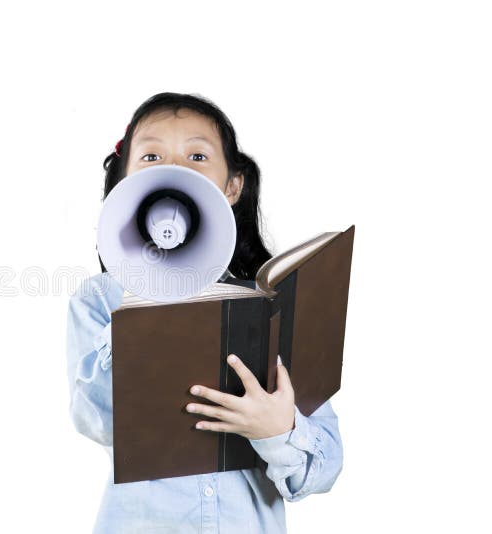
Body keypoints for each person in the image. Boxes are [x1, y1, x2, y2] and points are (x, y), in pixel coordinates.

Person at [66, 92, 343, 533]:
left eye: (196, 155)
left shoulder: (270, 305)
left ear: (233, 186)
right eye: (152, 155)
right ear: (124, 182)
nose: (174, 169)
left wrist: (278, 430)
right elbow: (97, 420)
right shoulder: (101, 299)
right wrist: (143, 299)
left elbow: (323, 469)